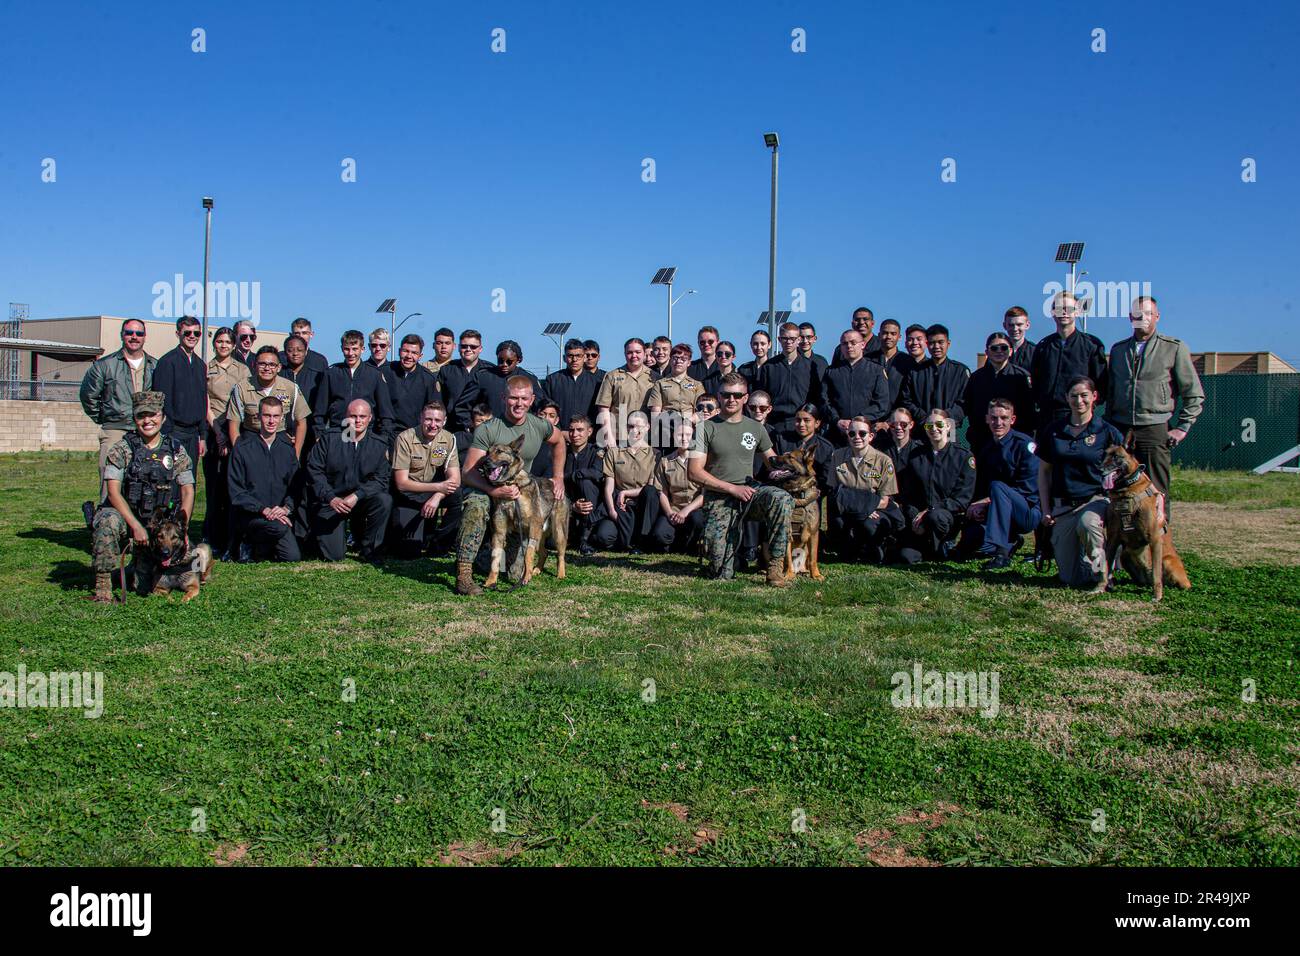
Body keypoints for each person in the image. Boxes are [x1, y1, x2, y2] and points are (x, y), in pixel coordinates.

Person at [454, 376, 567, 594]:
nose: (519, 403)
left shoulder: (539, 425)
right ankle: (464, 574)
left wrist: (559, 476)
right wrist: (494, 490)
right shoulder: (488, 429)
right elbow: (467, 472)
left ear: (532, 399)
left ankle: (486, 555)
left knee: (514, 573)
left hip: (519, 491)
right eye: (513, 398)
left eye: (524, 399)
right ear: (503, 398)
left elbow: (560, 440)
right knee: (476, 506)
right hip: (485, 488)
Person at [687, 372, 794, 586]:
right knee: (721, 574)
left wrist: (787, 470)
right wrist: (731, 488)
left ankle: (775, 566)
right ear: (719, 396)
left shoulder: (756, 428)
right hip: (719, 497)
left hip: (749, 493)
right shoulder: (705, 428)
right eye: (726, 395)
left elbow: (771, 462)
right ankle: (726, 558)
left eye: (737, 395)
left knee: (781, 498)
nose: (731, 400)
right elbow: (694, 471)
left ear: (745, 397)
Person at [1105, 295, 1205, 521]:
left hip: (1154, 428)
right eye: (1138, 315)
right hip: (1121, 428)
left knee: (1156, 490)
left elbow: (1193, 393)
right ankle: (1125, 546)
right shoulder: (1119, 351)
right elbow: (1111, 392)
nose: (1143, 319)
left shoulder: (1174, 348)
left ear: (1157, 317)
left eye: (1148, 314)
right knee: (1120, 488)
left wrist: (1183, 427)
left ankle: (1159, 545)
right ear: (1130, 318)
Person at [89, 391, 195, 602]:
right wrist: (136, 526)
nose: (147, 421)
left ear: (163, 417)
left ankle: (136, 567)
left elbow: (188, 490)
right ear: (134, 419)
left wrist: (183, 527)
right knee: (106, 522)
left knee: (142, 588)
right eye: (141, 416)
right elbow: (113, 491)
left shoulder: (175, 450)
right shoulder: (122, 449)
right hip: (126, 517)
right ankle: (103, 587)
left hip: (156, 524)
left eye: (153, 415)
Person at [1037, 376, 1125, 589]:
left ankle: (1103, 575)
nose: (1079, 401)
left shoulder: (1107, 431)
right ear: (1067, 398)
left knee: (1088, 523)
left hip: (1095, 500)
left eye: (1084, 395)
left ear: (1094, 397)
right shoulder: (1054, 430)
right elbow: (1044, 472)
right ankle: (1095, 564)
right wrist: (1046, 509)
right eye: (1074, 396)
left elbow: (1126, 469)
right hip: (1064, 505)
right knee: (1070, 579)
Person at [80, 318, 157, 505]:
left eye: (139, 333)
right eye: (129, 332)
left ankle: (137, 530)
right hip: (115, 431)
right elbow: (88, 396)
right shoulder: (105, 365)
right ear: (122, 335)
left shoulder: (155, 365)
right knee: (111, 483)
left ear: (145, 337)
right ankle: (107, 527)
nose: (134, 337)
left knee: (145, 483)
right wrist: (106, 417)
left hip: (145, 432)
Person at [305, 399, 392, 562]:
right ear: (346, 416)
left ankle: (369, 548)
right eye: (353, 416)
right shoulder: (330, 438)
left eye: (362, 416)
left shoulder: (378, 444)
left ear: (370, 418)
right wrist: (330, 497)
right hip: (331, 501)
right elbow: (314, 471)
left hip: (360, 500)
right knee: (335, 556)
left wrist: (357, 495)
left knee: (384, 500)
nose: (358, 421)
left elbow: (381, 479)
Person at [964, 398, 1041, 569]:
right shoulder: (986, 448)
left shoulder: (1024, 445)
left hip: (1027, 512)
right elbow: (981, 485)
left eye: (1004, 418)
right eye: (994, 418)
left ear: (1012, 420)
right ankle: (1011, 541)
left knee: (998, 487)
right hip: (998, 512)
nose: (998, 422)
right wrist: (976, 505)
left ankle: (1001, 554)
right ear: (987, 419)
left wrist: (987, 501)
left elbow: (1028, 489)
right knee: (969, 542)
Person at [227, 396, 303, 562]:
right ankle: (246, 539)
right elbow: (237, 492)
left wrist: (286, 508)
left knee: (292, 557)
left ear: (282, 418)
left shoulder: (288, 450)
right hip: (252, 515)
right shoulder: (242, 449)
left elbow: (295, 487)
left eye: (276, 416)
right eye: (267, 415)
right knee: (278, 527)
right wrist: (262, 509)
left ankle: (261, 548)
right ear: (258, 416)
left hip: (279, 515)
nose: (271, 421)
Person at [896, 410, 976, 563]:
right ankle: (930, 549)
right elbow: (909, 494)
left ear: (948, 427)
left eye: (939, 424)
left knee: (935, 516)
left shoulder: (963, 456)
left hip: (947, 517)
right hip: (919, 520)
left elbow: (962, 499)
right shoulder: (915, 456)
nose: (934, 429)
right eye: (929, 426)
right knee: (906, 557)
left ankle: (944, 545)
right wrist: (914, 518)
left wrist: (930, 510)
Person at [390, 401, 462, 559]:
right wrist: (439, 487)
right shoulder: (405, 438)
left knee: (457, 496)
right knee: (409, 553)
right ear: (421, 417)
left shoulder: (449, 439)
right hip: (409, 495)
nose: (433, 425)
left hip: (433, 493)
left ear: (444, 421)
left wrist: (437, 496)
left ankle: (439, 547)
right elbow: (401, 483)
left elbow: (455, 479)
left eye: (437, 420)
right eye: (428, 419)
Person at [825, 415, 900, 564]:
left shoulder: (884, 461)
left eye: (862, 433)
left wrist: (865, 507)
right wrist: (862, 506)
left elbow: (884, 501)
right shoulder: (837, 456)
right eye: (852, 433)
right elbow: (834, 492)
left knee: (868, 525)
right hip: (851, 509)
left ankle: (877, 547)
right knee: (838, 525)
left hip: (875, 511)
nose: (857, 437)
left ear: (871, 436)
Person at [201, 327, 249, 556]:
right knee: (214, 488)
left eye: (227, 342)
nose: (223, 345)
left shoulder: (242, 369)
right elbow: (205, 402)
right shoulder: (206, 369)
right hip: (214, 430)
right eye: (219, 341)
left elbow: (244, 400)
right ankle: (212, 536)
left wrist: (231, 435)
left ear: (233, 345)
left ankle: (233, 538)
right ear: (214, 344)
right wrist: (217, 433)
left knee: (233, 487)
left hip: (236, 430)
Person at [1030, 291, 1107, 423]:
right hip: (1047, 417)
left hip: (1079, 416)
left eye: (1069, 309)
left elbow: (1101, 382)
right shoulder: (1043, 347)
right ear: (1053, 312)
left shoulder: (1091, 345)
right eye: (1059, 308)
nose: (1064, 312)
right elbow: (1036, 381)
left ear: (1077, 312)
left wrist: (1089, 406)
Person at [226, 345, 311, 458]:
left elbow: (301, 422)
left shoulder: (291, 388)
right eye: (262, 364)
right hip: (252, 438)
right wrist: (238, 452)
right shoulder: (241, 388)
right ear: (254, 365)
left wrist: (296, 454)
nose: (267, 368)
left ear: (279, 367)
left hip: (279, 439)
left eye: (272, 365)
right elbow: (234, 423)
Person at [591, 411, 657, 553]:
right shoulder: (614, 452)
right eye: (630, 426)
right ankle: (627, 538)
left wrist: (626, 492)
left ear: (647, 427)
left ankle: (642, 540)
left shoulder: (655, 454)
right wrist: (612, 511)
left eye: (639, 426)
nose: (634, 430)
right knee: (603, 537)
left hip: (642, 507)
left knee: (651, 492)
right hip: (621, 506)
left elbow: (650, 487)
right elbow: (609, 487)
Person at [313, 329, 396, 441]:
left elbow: (385, 413)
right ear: (342, 349)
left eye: (355, 349)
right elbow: (320, 410)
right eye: (347, 349)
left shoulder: (374, 375)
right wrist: (319, 435)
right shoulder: (331, 373)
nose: (351, 353)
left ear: (362, 349)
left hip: (366, 436)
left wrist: (383, 439)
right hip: (337, 434)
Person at [963, 331, 1035, 454]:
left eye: (1004, 347)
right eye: (994, 348)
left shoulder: (1021, 377)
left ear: (1011, 351)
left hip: (1014, 444)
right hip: (982, 442)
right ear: (986, 352)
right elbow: (968, 406)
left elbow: (1029, 413)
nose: (999, 351)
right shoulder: (976, 378)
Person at [152, 316, 208, 473]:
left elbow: (203, 402)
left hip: (193, 435)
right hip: (174, 432)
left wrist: (202, 436)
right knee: (172, 481)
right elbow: (162, 402)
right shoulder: (167, 362)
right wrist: (167, 436)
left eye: (196, 333)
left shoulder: (200, 365)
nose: (192, 336)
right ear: (178, 334)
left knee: (190, 480)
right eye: (187, 333)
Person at [822, 329, 891, 442]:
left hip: (867, 434)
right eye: (845, 343)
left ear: (862, 344)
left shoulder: (876, 371)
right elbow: (824, 400)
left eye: (853, 343)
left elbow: (881, 403)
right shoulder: (831, 371)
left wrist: (859, 420)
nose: (849, 346)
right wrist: (837, 420)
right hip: (838, 434)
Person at [648, 419, 705, 553]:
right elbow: (661, 491)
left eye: (688, 435)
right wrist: (669, 513)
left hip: (694, 510)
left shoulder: (703, 461)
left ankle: (689, 545)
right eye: (680, 435)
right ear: (674, 437)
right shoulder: (665, 461)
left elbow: (705, 494)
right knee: (659, 536)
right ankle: (678, 542)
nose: (684, 438)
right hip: (674, 510)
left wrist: (686, 512)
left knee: (697, 521)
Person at [758, 322, 819, 439]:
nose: (788, 342)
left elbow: (815, 396)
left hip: (801, 423)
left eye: (792, 338)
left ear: (798, 340)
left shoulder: (810, 366)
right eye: (785, 338)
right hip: (775, 423)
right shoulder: (769, 366)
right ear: (779, 339)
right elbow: (763, 395)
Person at [902, 324, 970, 426]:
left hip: (949, 427)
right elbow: (906, 400)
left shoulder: (960, 371)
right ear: (927, 344)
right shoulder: (915, 372)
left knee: (950, 442)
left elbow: (966, 402)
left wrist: (946, 415)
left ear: (948, 343)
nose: (936, 346)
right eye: (932, 343)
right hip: (922, 427)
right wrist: (925, 418)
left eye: (940, 342)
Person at [594, 337, 654, 447]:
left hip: (646, 438)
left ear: (645, 353)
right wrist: (608, 435)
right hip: (619, 437)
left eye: (638, 352)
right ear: (624, 354)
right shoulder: (612, 376)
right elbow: (604, 407)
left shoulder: (655, 378)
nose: (634, 355)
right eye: (630, 352)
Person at [645, 343, 704, 447]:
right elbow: (655, 413)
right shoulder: (660, 384)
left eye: (683, 358)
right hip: (666, 432)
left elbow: (701, 412)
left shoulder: (697, 385)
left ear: (689, 362)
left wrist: (687, 422)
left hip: (689, 431)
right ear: (670, 360)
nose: (678, 361)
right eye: (675, 358)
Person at [563, 415, 607, 555]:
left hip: (592, 509)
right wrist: (572, 506)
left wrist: (575, 475)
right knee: (551, 543)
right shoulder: (563, 452)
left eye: (580, 430)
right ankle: (577, 537)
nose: (575, 434)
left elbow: (597, 473)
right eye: (571, 430)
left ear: (589, 432)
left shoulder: (596, 452)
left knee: (586, 482)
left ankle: (584, 538)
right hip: (569, 508)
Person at [774, 403, 834, 494]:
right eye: (798, 420)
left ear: (817, 423)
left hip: (812, 493)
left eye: (806, 420)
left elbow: (826, 479)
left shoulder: (826, 448)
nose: (801, 424)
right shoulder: (782, 440)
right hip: (783, 491)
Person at [385, 333, 440, 433]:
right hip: (387, 434)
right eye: (405, 351)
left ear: (420, 356)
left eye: (414, 353)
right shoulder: (386, 372)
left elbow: (433, 410)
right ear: (399, 351)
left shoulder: (428, 379)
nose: (409, 356)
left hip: (414, 436)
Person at [544, 338, 601, 429]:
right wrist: (560, 432)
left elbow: (598, 412)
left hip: (588, 438)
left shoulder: (596, 382)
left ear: (584, 358)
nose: (574, 359)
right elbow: (547, 410)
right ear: (564, 358)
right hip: (559, 436)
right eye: (570, 356)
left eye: (578, 355)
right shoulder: (552, 380)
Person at [438, 330, 488, 432]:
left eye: (473, 347)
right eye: (464, 346)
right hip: (453, 429)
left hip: (483, 431)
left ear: (480, 349)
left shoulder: (489, 371)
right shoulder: (446, 370)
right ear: (459, 347)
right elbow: (439, 402)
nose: (468, 349)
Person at [875, 319, 916, 409]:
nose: (888, 337)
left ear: (899, 337)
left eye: (893, 334)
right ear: (879, 335)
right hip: (872, 416)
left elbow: (909, 395)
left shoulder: (908, 362)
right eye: (885, 333)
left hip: (898, 417)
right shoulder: (868, 360)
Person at [879, 407, 919, 491]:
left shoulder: (918, 451)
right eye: (894, 424)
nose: (898, 428)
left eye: (903, 424)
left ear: (911, 425)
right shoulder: (880, 449)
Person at [530, 402, 563, 478]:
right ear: (535, 416)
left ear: (556, 420)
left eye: (551, 416)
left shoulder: (558, 446)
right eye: (542, 414)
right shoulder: (525, 437)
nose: (546, 419)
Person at [797, 323, 830, 388]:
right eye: (801, 337)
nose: (805, 341)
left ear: (815, 338)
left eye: (808, 337)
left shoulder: (822, 362)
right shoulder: (790, 362)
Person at [1002, 306, 1035, 371]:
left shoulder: (1035, 352)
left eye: (1019, 324)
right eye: (1011, 325)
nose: (1015, 329)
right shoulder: (997, 351)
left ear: (1027, 325)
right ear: (1004, 325)